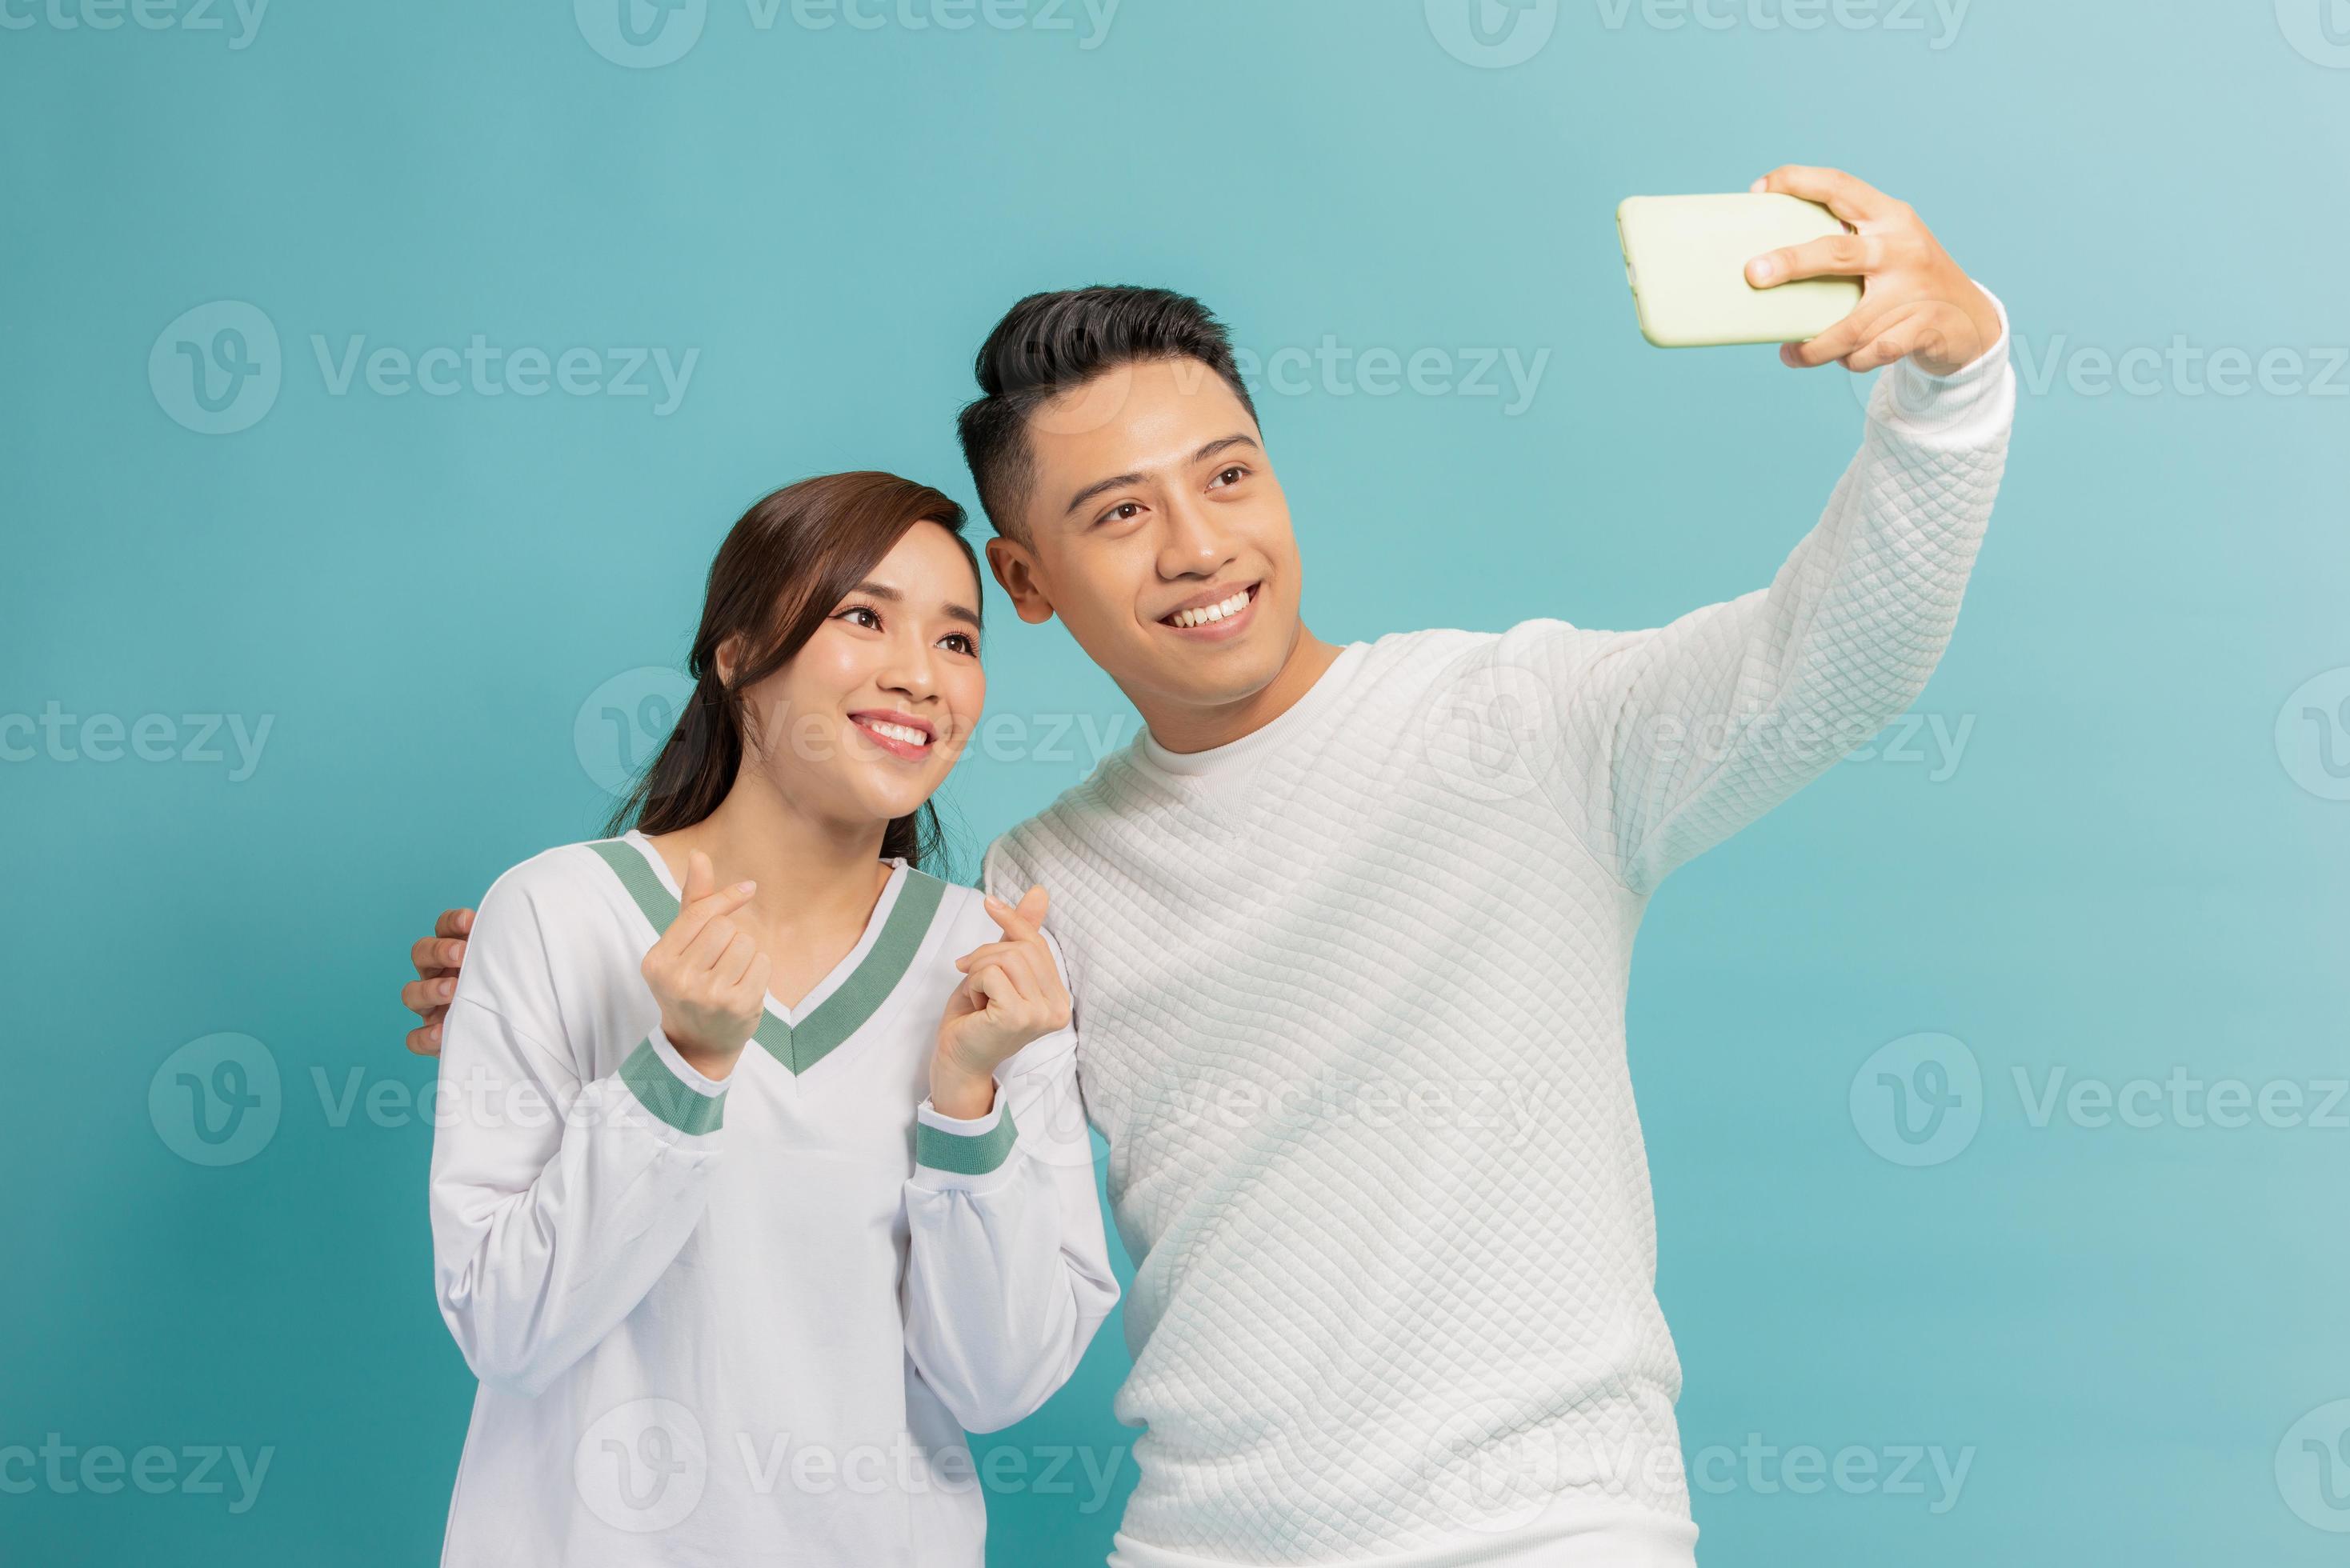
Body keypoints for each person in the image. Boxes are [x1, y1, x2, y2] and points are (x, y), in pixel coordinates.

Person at [408, 166, 2014, 1566]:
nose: (1196, 545)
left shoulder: (1523, 725)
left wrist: (1948, 388)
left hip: (1550, 1530)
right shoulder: (1040, 880)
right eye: (1119, 513)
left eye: (1227, 474)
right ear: (1030, 583)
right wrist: (546, 983)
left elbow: (1832, 662)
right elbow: (866, 1094)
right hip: (1201, 1540)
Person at [425, 471, 1119, 1567]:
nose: (918, 676)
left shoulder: (990, 969)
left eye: (957, 642)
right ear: (737, 652)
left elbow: (999, 1386)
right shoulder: (555, 914)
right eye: (862, 617)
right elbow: (508, 1331)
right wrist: (683, 1067)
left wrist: (967, 1105)